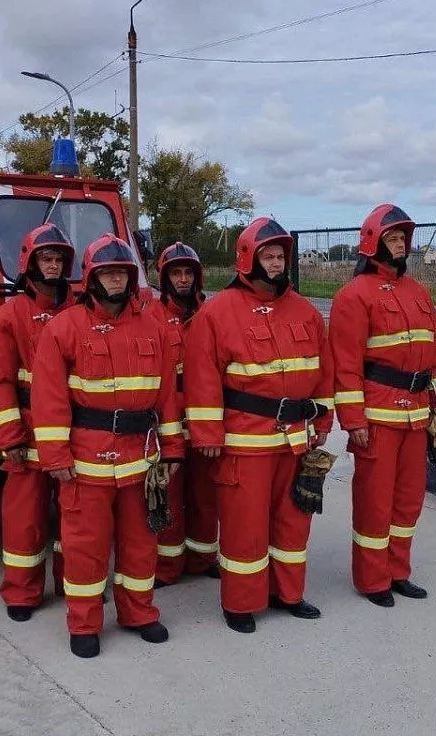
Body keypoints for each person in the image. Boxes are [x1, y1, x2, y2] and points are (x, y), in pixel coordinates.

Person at [31, 233, 185, 659]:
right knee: (85, 547)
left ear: (132, 278)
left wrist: (172, 449)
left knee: (141, 543)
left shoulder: (153, 329)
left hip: (142, 457)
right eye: (107, 273)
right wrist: (56, 457)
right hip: (86, 459)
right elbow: (48, 400)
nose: (116, 281)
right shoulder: (64, 329)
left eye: (122, 273)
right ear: (91, 278)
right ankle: (83, 623)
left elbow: (168, 396)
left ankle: (139, 613)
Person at [184, 217, 334, 634]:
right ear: (248, 258)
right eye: (267, 255)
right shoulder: (216, 313)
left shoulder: (305, 311)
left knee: (293, 520)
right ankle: (241, 602)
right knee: (244, 525)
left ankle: (288, 594)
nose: (275, 262)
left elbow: (323, 370)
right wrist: (208, 435)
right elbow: (202, 379)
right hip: (245, 440)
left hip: (295, 441)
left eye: (280, 255)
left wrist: (323, 417)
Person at [328, 203, 436, 607]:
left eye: (403, 238)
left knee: (408, 499)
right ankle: (372, 578)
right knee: (375, 502)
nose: (399, 245)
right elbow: (345, 367)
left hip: (417, 415)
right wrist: (353, 419)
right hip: (377, 417)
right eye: (392, 238)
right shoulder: (353, 296)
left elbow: (435, 354)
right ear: (372, 243)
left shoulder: (419, 292)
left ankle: (398, 571)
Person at [0, 224, 75, 622]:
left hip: (75, 431)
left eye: (58, 259)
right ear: (29, 264)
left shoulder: (82, 309)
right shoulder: (10, 316)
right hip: (29, 434)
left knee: (77, 518)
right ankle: (21, 593)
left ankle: (77, 585)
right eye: (45, 259)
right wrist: (9, 436)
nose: (52, 266)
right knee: (25, 520)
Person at [149, 242, 221, 585]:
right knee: (169, 496)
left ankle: (203, 558)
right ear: (164, 278)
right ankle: (166, 567)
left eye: (187, 272)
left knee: (206, 495)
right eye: (175, 273)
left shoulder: (213, 314)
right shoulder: (149, 316)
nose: (182, 279)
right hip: (168, 421)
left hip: (206, 419)